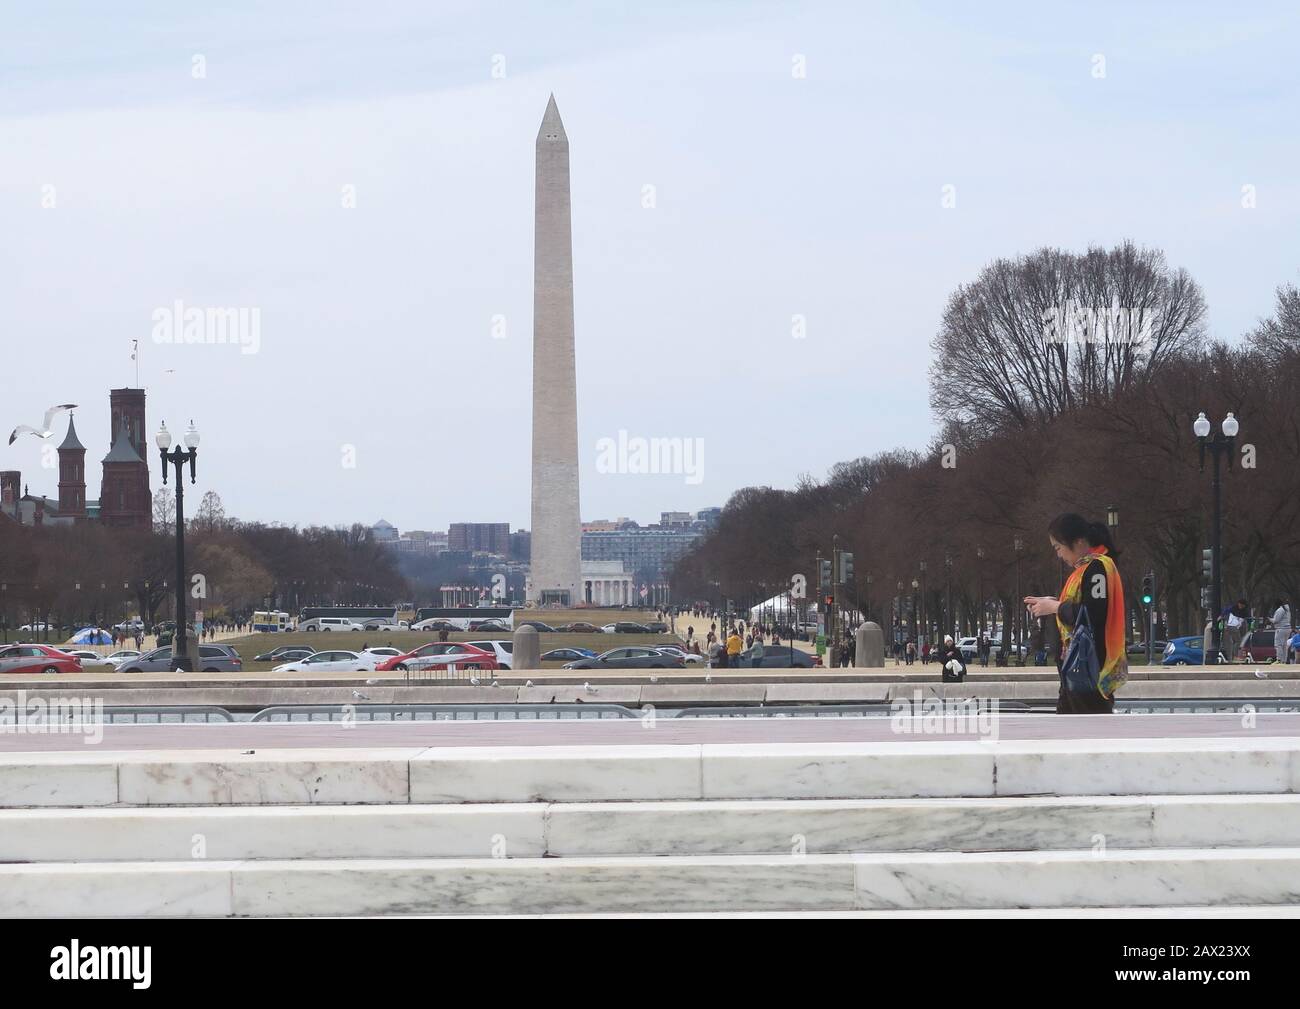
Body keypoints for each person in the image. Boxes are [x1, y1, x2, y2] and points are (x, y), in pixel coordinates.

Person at [1024, 513, 1127, 714]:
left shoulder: (1097, 568)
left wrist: (1054, 608)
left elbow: (1092, 614)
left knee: (1083, 732)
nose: (1058, 555)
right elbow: (1086, 609)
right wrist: (1052, 604)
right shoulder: (1089, 568)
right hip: (1079, 668)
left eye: (1058, 547)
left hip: (1088, 668)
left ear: (1078, 542)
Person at [1271, 599, 1292, 665]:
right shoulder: (1287, 610)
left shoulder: (1280, 610)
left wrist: (1270, 619)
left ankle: (1279, 660)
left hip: (1281, 629)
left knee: (1278, 645)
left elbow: (1276, 620)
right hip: (1287, 628)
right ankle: (1284, 661)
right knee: (1284, 645)